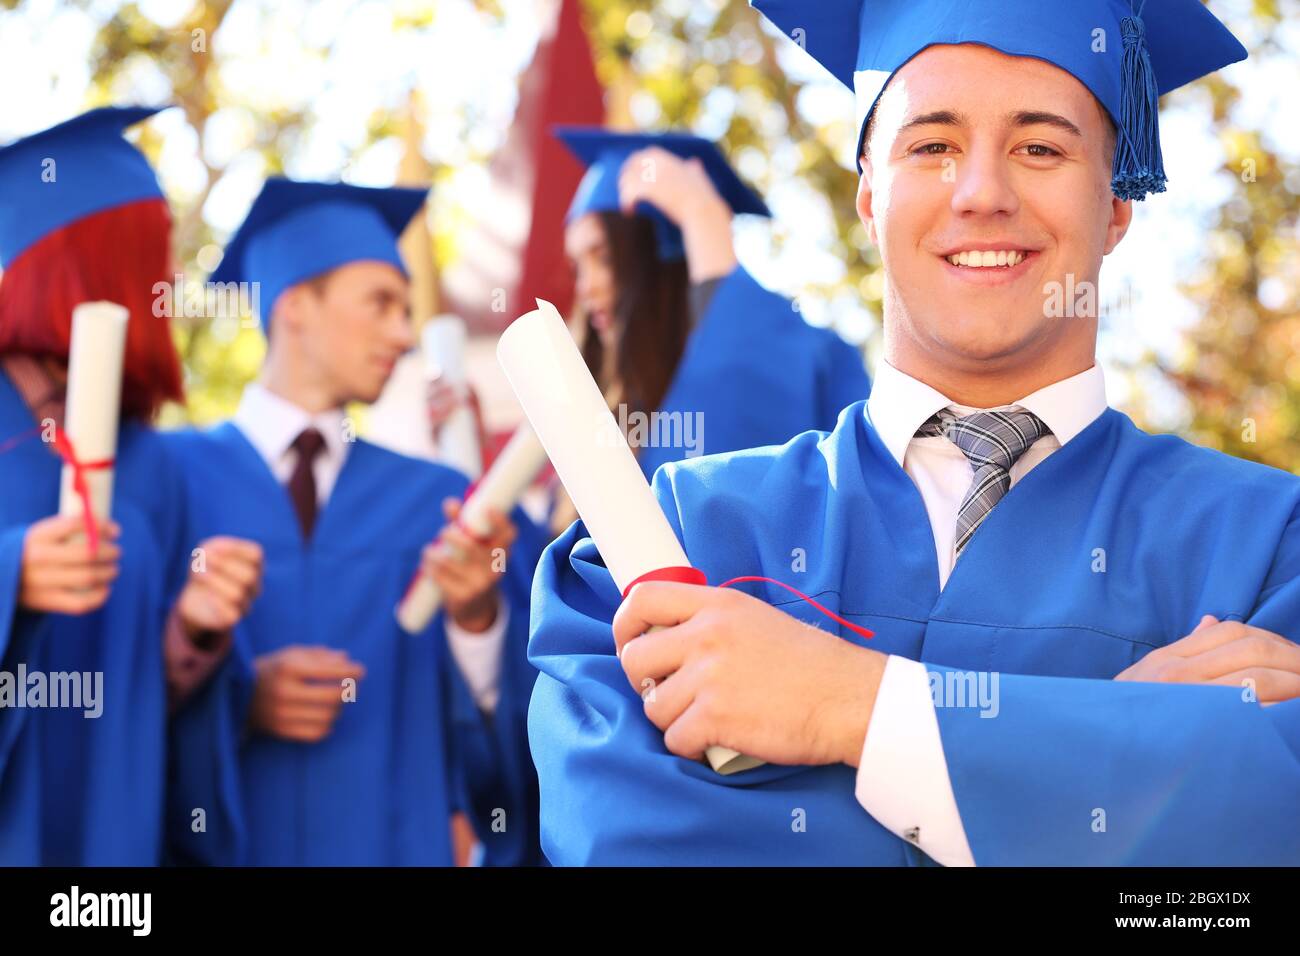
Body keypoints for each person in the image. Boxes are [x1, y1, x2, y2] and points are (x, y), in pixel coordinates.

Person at [527, 0, 1300, 865]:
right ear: (867, 194)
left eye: (1040, 147)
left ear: (1117, 204)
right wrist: (1125, 751)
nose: (982, 194)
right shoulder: (672, 535)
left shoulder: (1271, 544)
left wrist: (853, 706)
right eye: (931, 146)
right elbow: (632, 845)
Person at [165, 178, 544, 866]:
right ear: (295, 306)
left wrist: (477, 621)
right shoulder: (170, 480)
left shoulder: (440, 501)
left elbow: (517, 743)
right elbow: (96, 709)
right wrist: (236, 702)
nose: (404, 334)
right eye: (381, 304)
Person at [0, 106, 258, 864]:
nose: (168, 281)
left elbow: (161, 724)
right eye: (153, 253)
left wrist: (193, 632)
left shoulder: (153, 467)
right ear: (79, 262)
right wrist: (11, 574)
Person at [555, 127, 872, 488]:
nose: (586, 287)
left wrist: (701, 216)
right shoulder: (607, 422)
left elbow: (734, 470)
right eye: (577, 265)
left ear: (662, 265)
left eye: (606, 258)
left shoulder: (818, 358)